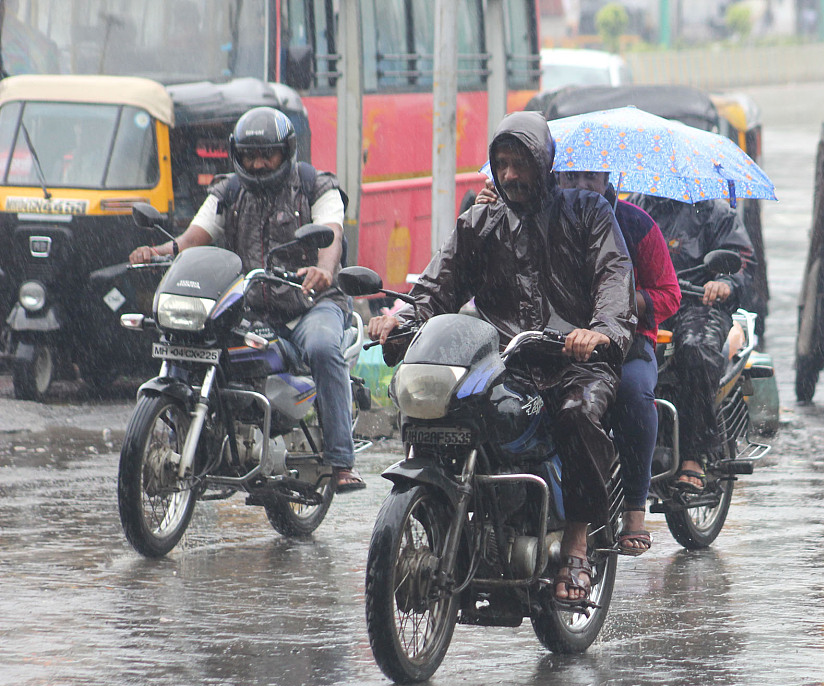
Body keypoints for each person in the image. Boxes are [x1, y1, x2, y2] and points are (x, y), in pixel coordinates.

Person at [367, 112, 636, 605]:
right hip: (504, 361)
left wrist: (597, 332)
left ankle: (577, 540)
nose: (510, 175)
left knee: (577, 414)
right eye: (502, 164)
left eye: (521, 164)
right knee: (453, 410)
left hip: (572, 361)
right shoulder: (480, 222)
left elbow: (613, 281)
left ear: (544, 164)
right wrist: (400, 320)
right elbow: (436, 286)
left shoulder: (589, 213)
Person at [129, 106, 365, 493]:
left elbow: (331, 233)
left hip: (312, 304)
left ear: (285, 151)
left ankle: (341, 461)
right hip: (252, 306)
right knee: (191, 342)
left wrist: (323, 269)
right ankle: (195, 442)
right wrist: (159, 251)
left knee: (323, 348)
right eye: (249, 155)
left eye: (266, 154)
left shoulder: (315, 185)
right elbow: (193, 238)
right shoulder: (229, 191)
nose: (257, 163)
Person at [478, 170, 681, 556]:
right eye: (573, 177)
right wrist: (490, 214)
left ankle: (635, 507)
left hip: (626, 344)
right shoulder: (532, 218)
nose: (583, 186)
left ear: (608, 179)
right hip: (547, 341)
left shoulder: (637, 224)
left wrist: (617, 305)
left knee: (635, 396)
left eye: (592, 178)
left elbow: (669, 295)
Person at [624, 193, 757, 494]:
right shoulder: (634, 206)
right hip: (646, 302)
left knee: (695, 350)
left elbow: (742, 263)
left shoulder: (717, 213)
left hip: (697, 305)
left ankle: (693, 456)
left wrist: (725, 283)